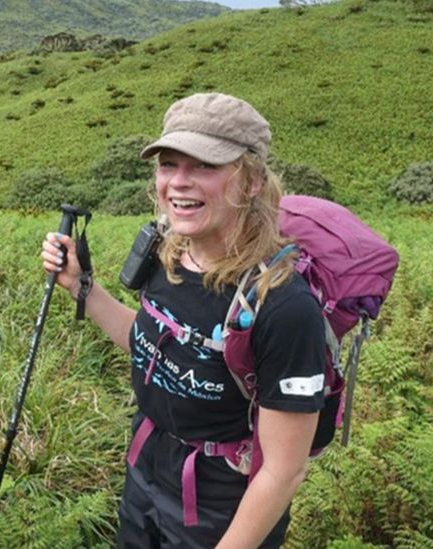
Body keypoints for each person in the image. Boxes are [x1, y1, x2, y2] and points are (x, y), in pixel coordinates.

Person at [41, 93, 326, 548]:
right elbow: (150, 341)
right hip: (147, 466)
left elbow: (283, 470)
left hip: (223, 502)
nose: (178, 182)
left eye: (204, 166)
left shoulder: (284, 307)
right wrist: (81, 287)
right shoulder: (169, 252)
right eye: (168, 164)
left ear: (250, 181)